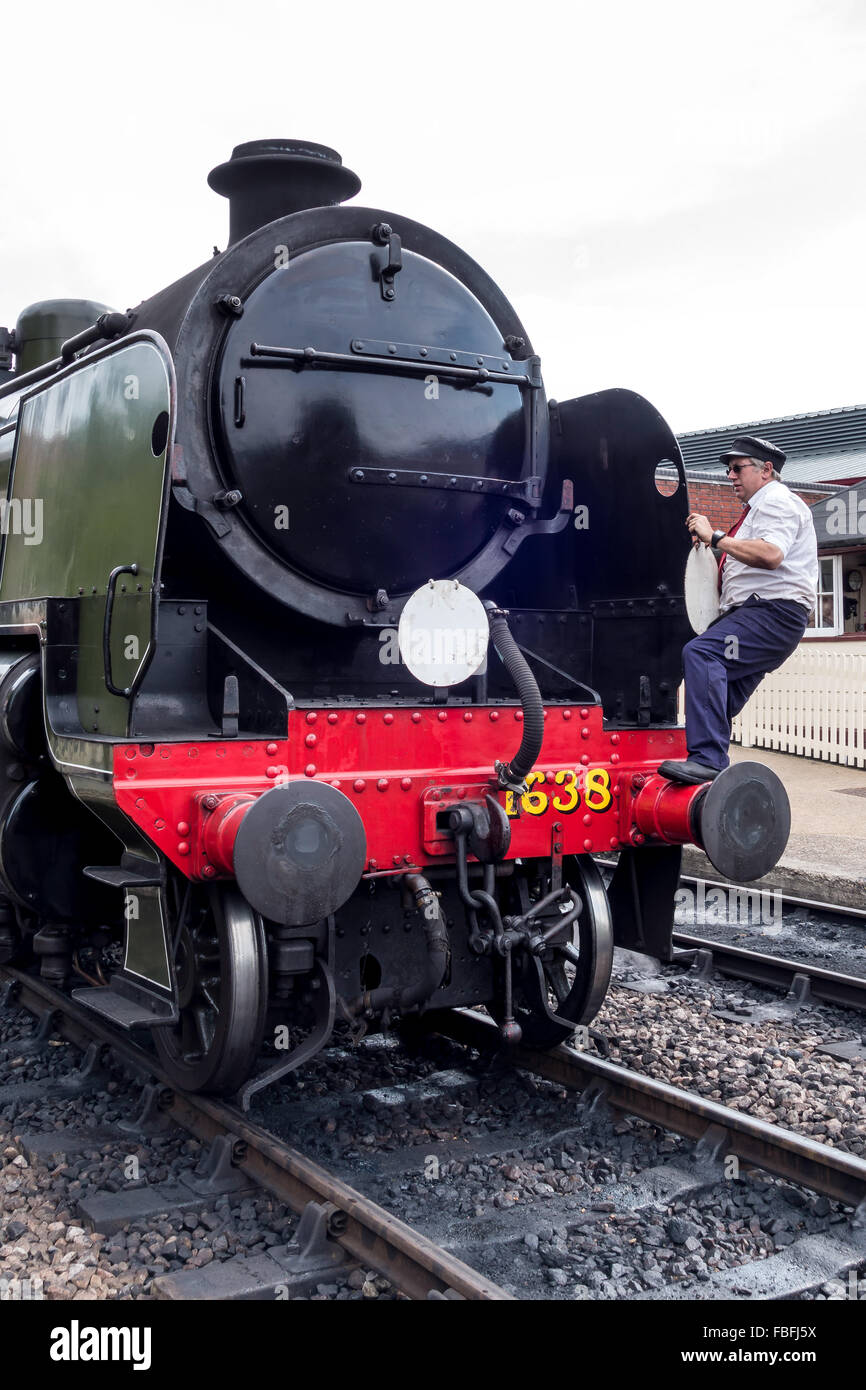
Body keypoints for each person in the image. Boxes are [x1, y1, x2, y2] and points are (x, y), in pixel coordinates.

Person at [659, 435, 818, 784]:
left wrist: (715, 537)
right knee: (718, 701)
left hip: (771, 613)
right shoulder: (756, 511)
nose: (730, 475)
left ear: (766, 470)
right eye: (727, 469)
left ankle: (708, 761)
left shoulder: (777, 501)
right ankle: (708, 780)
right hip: (758, 614)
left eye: (736, 467)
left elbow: (771, 555)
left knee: (701, 655)